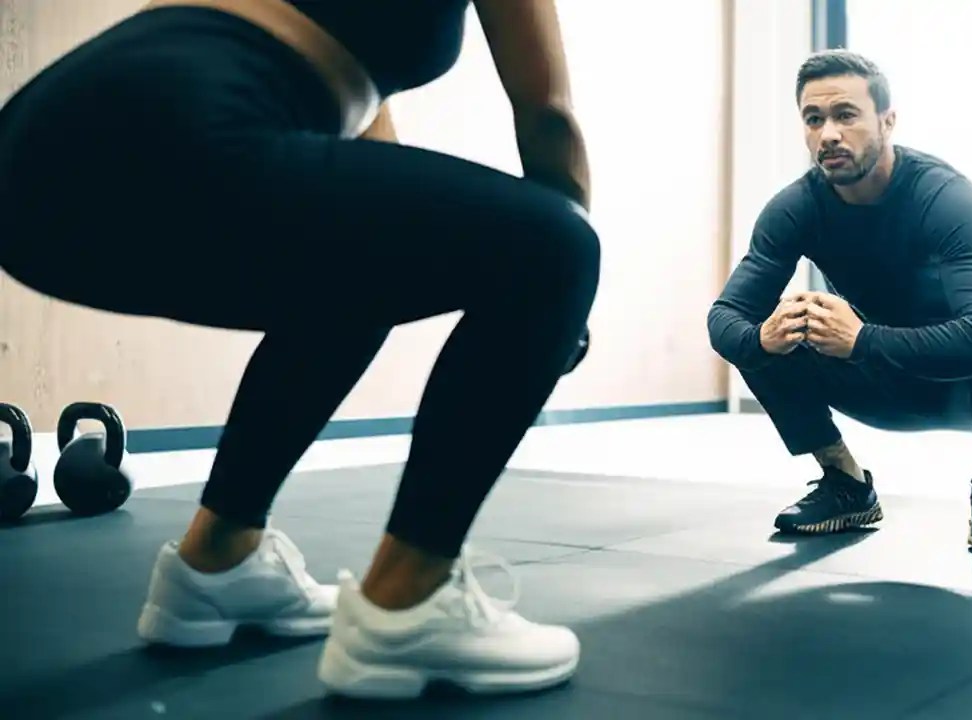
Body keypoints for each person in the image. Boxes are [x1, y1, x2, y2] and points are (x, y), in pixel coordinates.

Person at [0, 0, 597, 699]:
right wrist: (563, 294)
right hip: (179, 118)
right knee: (558, 245)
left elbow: (371, 182)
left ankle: (218, 559)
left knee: (357, 277)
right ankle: (410, 599)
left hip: (34, 158)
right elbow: (547, 112)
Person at [707, 50, 972, 552]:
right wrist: (763, 337)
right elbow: (724, 317)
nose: (828, 134)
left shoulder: (944, 196)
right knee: (771, 328)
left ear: (887, 121)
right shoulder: (795, 208)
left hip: (964, 385)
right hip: (875, 382)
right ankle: (845, 484)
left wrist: (862, 339)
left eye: (846, 115)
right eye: (813, 119)